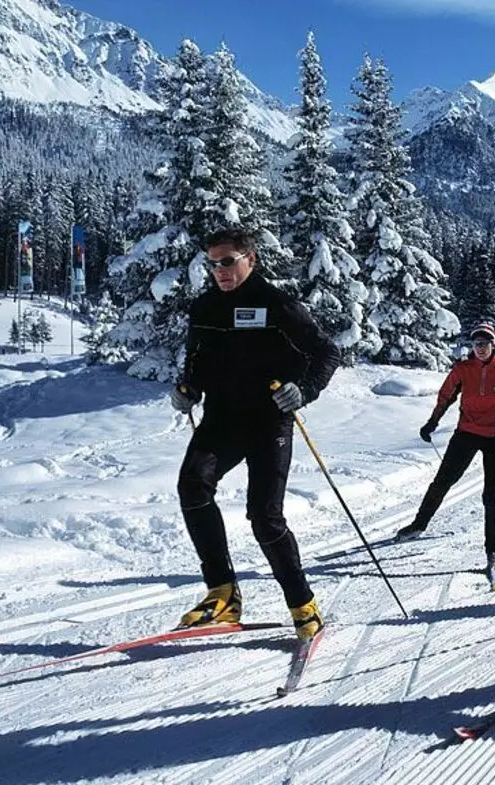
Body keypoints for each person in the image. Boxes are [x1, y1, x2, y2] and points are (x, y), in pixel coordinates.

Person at [170, 227, 341, 641]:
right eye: (213, 264)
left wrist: (305, 390)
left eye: (228, 261)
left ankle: (304, 605)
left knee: (264, 516)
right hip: (222, 419)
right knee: (193, 486)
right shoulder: (204, 308)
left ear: (251, 259)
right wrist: (188, 389)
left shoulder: (277, 304)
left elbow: (327, 352)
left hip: (269, 422)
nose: (220, 271)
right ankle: (223, 593)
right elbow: (197, 362)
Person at [396, 322, 495, 573]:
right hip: (466, 433)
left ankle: (493, 550)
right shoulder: (463, 369)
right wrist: (432, 422)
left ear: (494, 345)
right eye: (476, 344)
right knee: (442, 481)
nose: (480, 348)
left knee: (492, 495)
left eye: (485, 344)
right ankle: (419, 525)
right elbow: (446, 396)